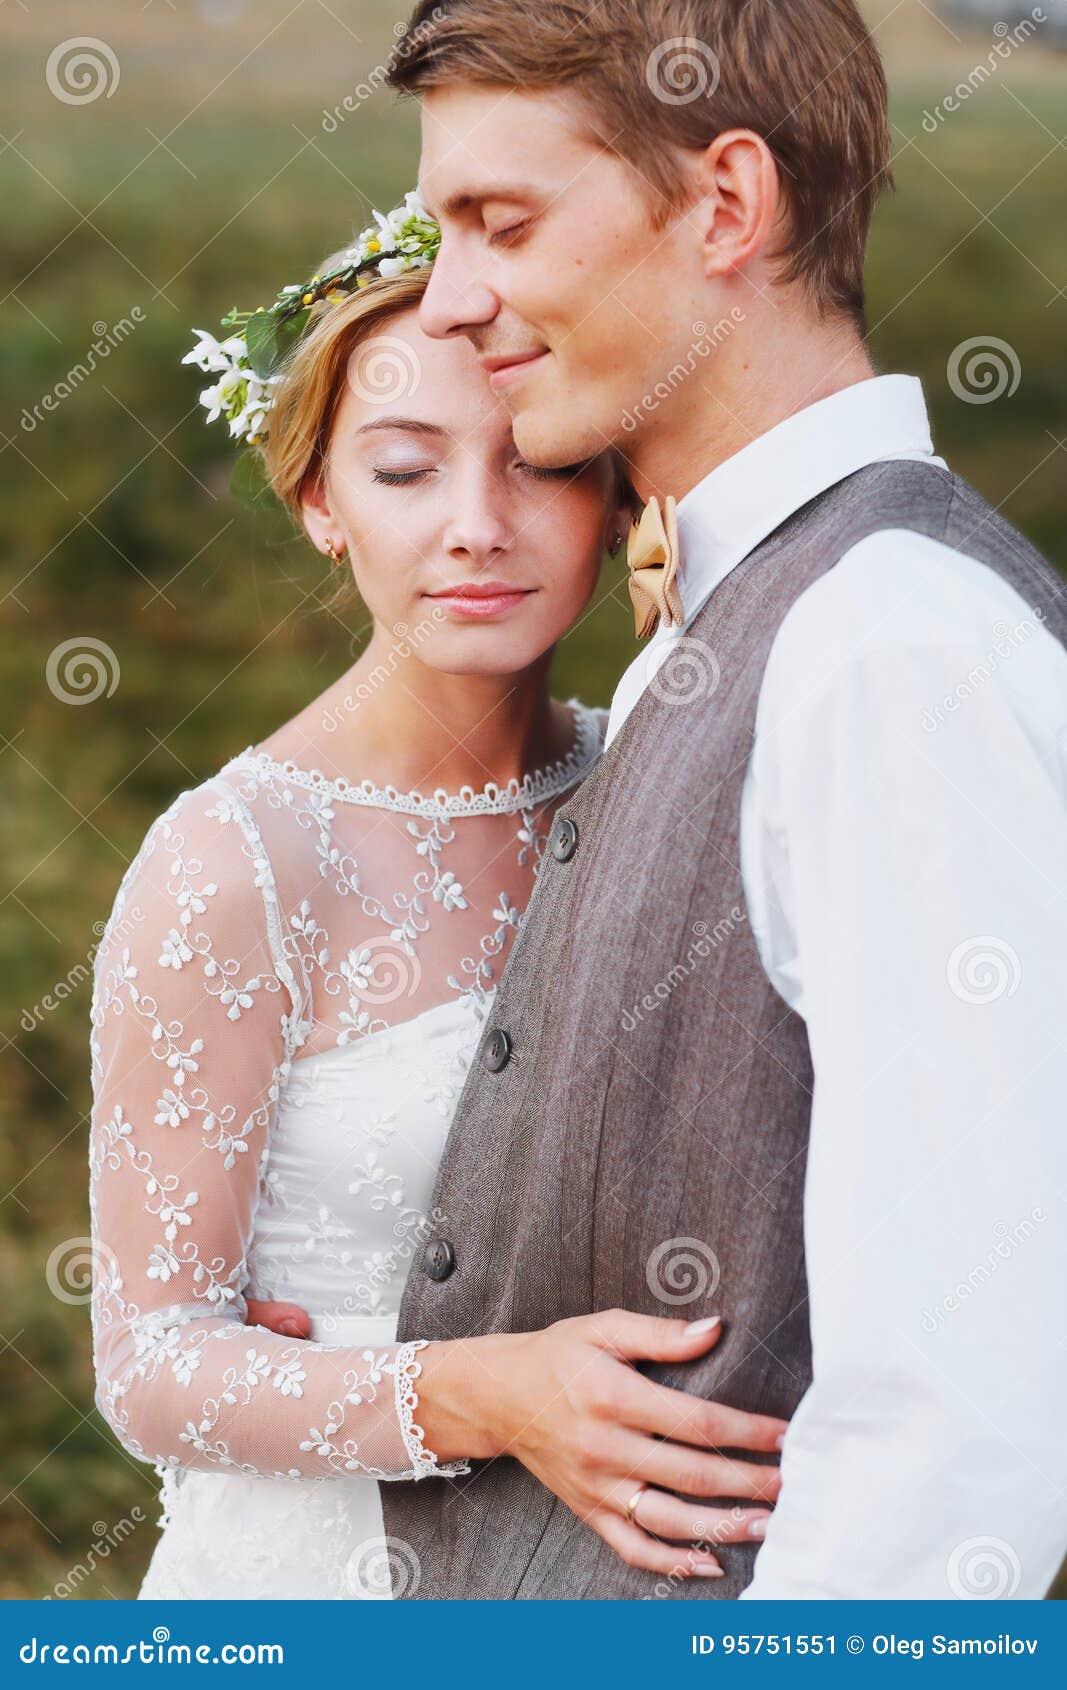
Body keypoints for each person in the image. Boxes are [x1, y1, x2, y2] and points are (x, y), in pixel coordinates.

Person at [371, 0, 1067, 1598]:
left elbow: (962, 1424)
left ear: (727, 205)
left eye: (503, 221)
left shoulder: (892, 641)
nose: (452, 297)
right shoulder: (745, 611)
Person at [88, 204, 785, 1602]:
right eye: (404, 469)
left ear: (619, 500)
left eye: (538, 465)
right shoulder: (235, 863)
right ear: (319, 506)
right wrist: (485, 1391)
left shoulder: (669, 779)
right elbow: (152, 1367)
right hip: (320, 1576)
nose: (477, 528)